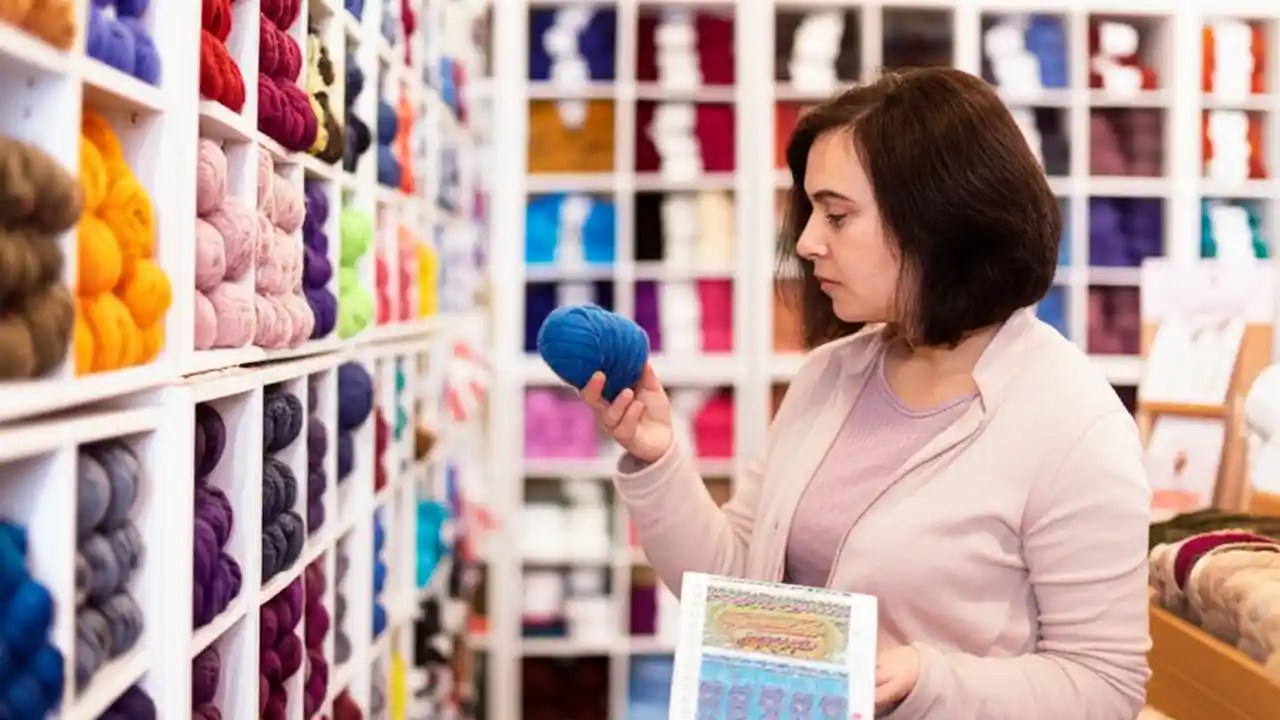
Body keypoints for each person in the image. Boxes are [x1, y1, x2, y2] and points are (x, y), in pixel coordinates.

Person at [577, 67, 1152, 719]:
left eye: (837, 215)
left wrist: (927, 680)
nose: (805, 242)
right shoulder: (830, 374)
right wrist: (658, 459)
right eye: (811, 210)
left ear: (937, 220)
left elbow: (1106, 687)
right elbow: (736, 592)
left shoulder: (1073, 426)